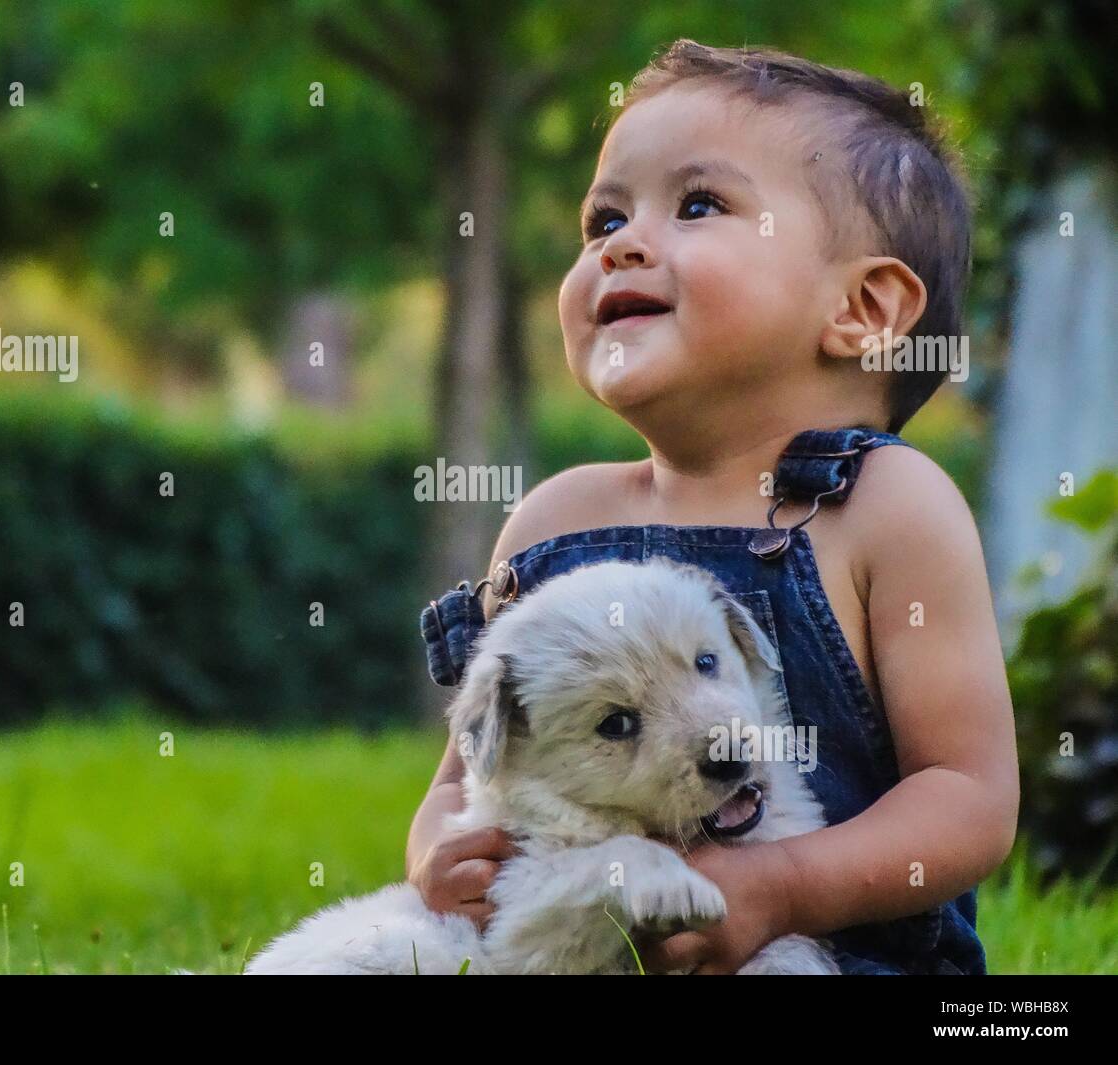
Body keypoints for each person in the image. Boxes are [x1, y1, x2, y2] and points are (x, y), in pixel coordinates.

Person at [408, 39, 1018, 974]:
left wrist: (781, 886)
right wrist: (438, 854)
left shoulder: (885, 506)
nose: (621, 242)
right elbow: (467, 778)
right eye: (602, 218)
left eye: (698, 205)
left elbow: (968, 799)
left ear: (863, 308)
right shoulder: (552, 521)